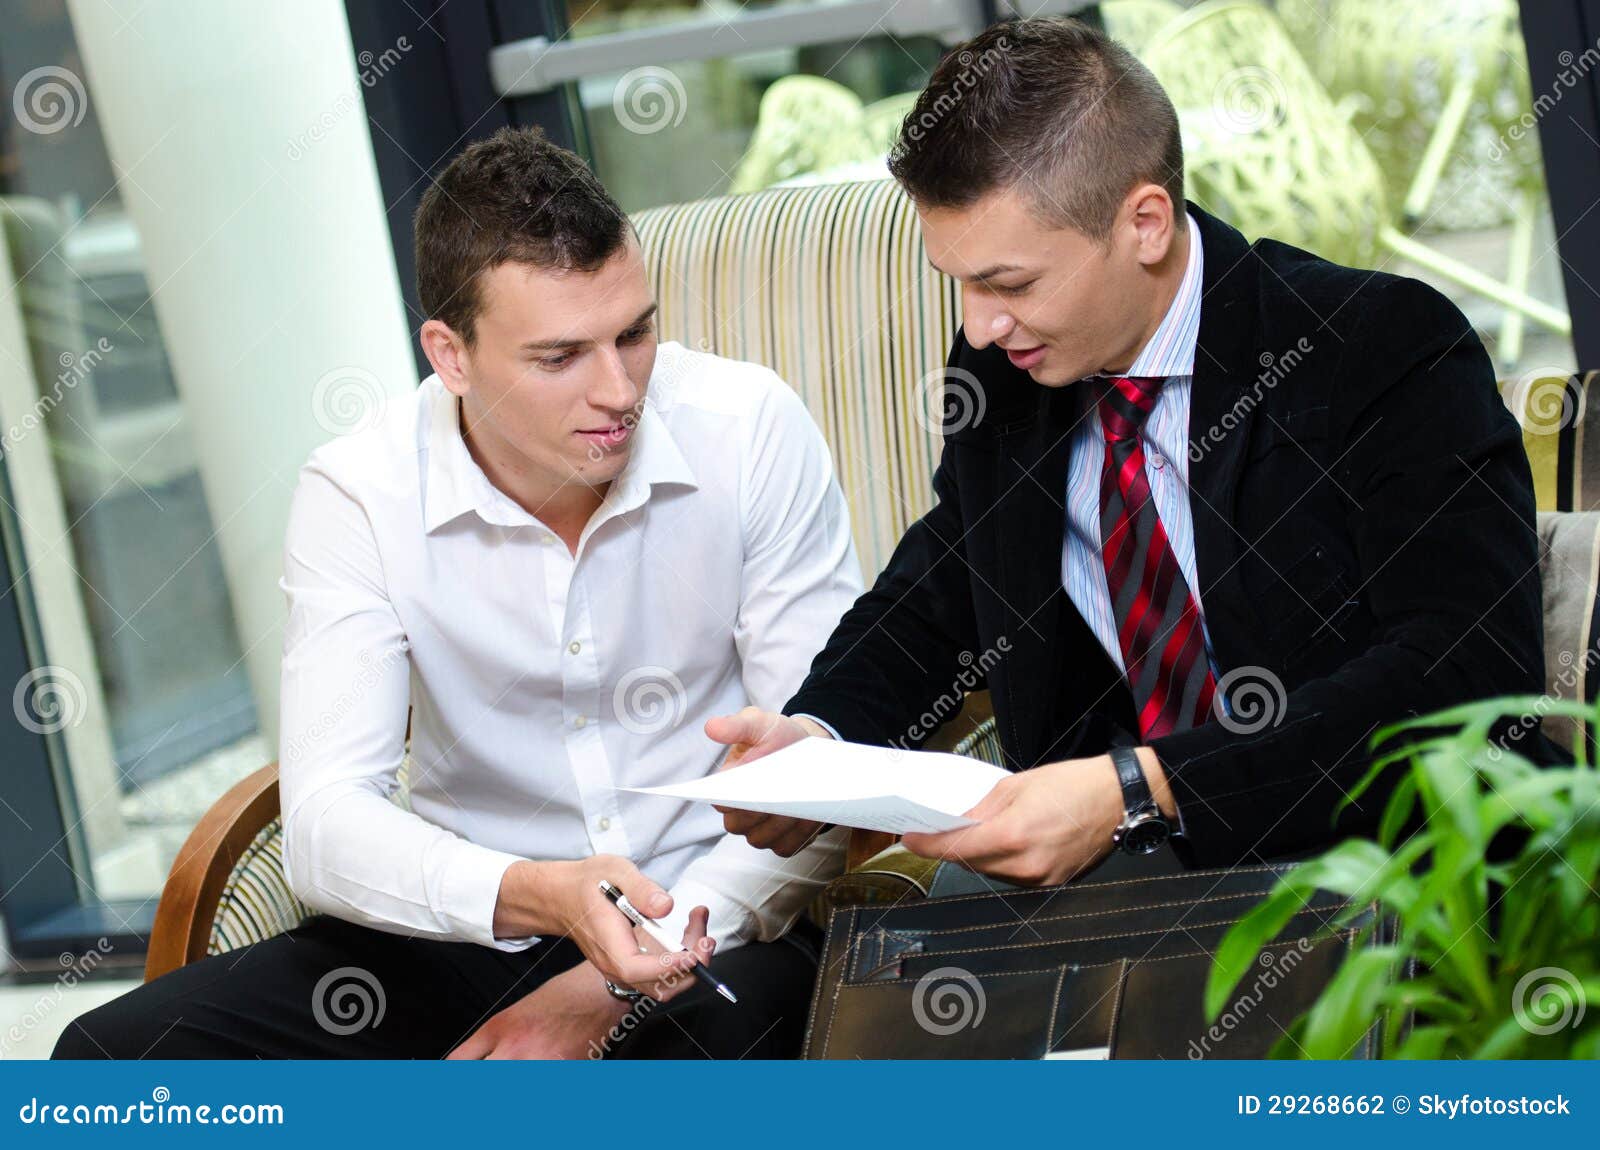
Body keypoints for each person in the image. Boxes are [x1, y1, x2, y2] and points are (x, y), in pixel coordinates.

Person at [54, 126, 860, 1061]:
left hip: (718, 916)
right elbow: (322, 826)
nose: (618, 389)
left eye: (634, 333)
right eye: (559, 357)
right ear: (452, 354)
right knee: (111, 1062)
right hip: (479, 920)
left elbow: (822, 774)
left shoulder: (748, 429)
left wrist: (604, 983)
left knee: (677, 1070)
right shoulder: (360, 490)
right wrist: (538, 894)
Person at [707, 17, 1557, 886]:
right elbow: (940, 587)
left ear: (1146, 223)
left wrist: (1139, 789)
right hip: (1142, 882)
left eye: (1010, 283)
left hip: (1395, 867)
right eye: (959, 283)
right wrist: (815, 740)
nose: (978, 325)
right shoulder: (1004, 372)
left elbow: (1464, 672)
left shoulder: (1376, 348)